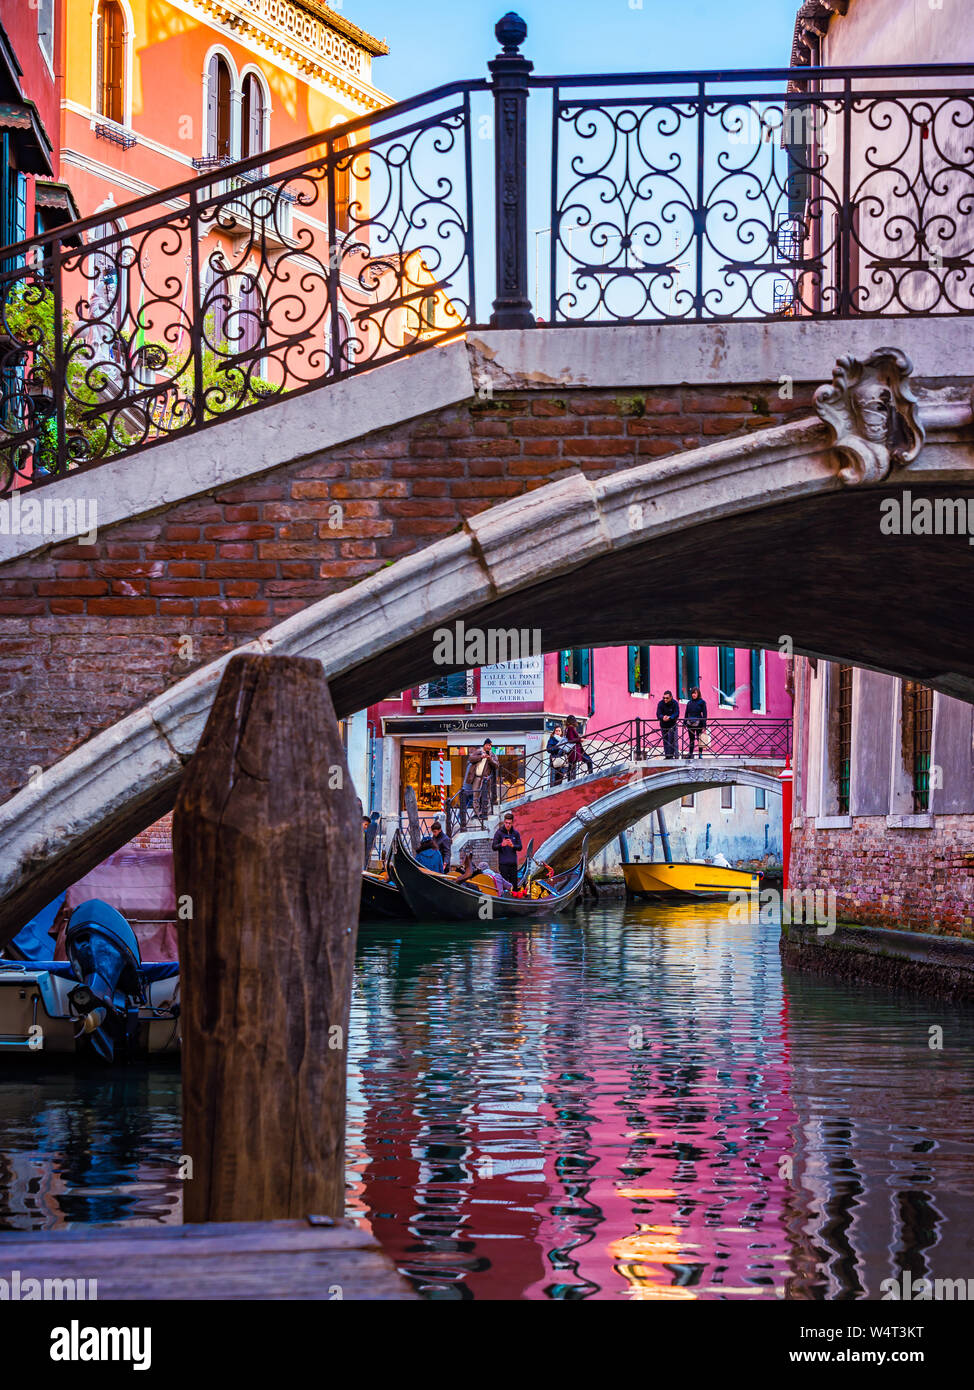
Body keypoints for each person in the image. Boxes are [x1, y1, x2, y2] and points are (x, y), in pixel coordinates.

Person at [462, 739, 498, 826]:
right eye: (487, 745)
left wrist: (489, 759)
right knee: (475, 796)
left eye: (490, 746)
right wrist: (481, 757)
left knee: (484, 796)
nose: (489, 747)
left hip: (486, 779)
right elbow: (470, 759)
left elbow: (496, 765)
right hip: (476, 778)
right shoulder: (478, 752)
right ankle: (477, 813)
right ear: (484, 745)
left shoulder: (493, 755)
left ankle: (484, 812)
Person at [491, 811, 523, 888]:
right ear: (504, 822)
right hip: (503, 864)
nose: (508, 825)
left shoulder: (516, 833)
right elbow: (494, 847)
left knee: (514, 886)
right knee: (505, 886)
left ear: (512, 823)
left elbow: (520, 847)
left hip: (513, 864)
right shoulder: (499, 833)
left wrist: (513, 846)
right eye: (506, 823)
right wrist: (501, 844)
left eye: (509, 823)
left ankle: (514, 898)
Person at [564, 715, 594, 779]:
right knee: (589, 761)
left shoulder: (567, 728)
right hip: (576, 750)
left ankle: (569, 780)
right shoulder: (570, 728)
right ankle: (591, 776)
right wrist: (580, 739)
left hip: (575, 750)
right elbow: (571, 740)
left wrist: (579, 739)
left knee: (571, 765)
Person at [684, 686, 708, 760]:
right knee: (691, 739)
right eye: (692, 693)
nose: (693, 695)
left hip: (699, 723)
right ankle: (690, 753)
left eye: (695, 693)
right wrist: (684, 723)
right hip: (690, 723)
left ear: (698, 694)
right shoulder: (689, 702)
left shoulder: (702, 702)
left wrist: (704, 725)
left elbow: (705, 714)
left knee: (699, 739)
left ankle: (700, 754)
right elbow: (686, 713)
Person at [657, 689, 680, 759]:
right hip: (663, 725)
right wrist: (663, 717)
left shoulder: (675, 703)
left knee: (673, 741)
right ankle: (667, 756)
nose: (665, 699)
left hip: (672, 724)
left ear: (671, 697)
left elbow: (677, 713)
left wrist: (670, 717)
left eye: (667, 698)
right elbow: (658, 714)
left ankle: (675, 756)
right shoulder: (660, 703)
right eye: (664, 698)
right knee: (665, 741)